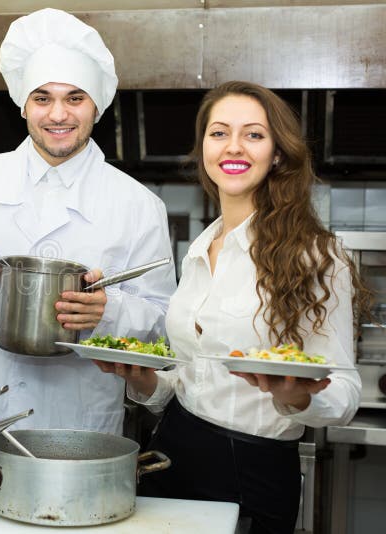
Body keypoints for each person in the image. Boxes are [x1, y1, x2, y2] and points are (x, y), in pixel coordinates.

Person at [0, 8, 176, 496]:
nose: (58, 114)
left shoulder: (138, 205)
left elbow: (164, 327)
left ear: (96, 106)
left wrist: (108, 312)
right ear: (23, 105)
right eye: (42, 98)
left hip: (81, 427)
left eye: (74, 98)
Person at [99, 81, 368, 534]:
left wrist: (298, 397)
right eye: (219, 133)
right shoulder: (201, 247)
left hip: (254, 469)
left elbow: (345, 392)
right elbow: (192, 378)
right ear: (204, 148)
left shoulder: (316, 256)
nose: (234, 146)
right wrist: (145, 380)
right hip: (171, 453)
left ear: (277, 154)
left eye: (254, 134)